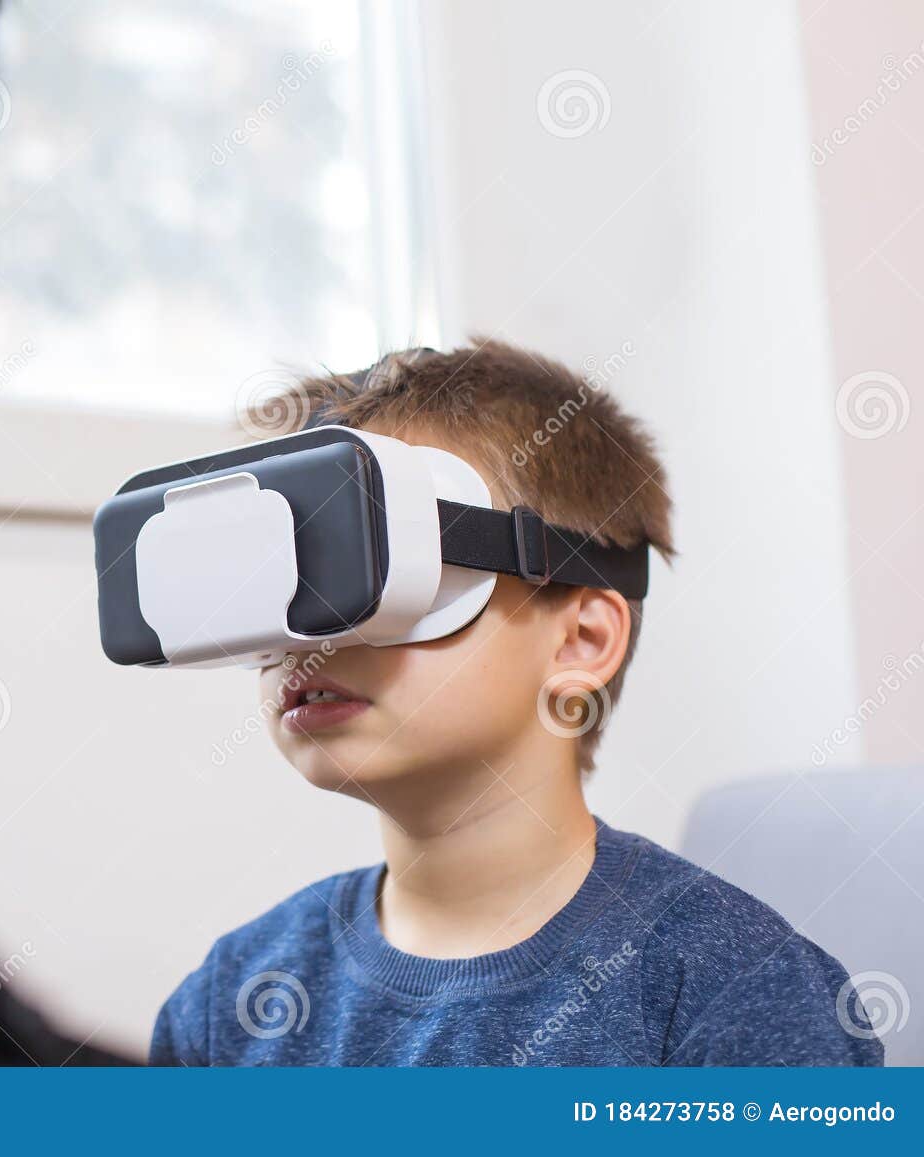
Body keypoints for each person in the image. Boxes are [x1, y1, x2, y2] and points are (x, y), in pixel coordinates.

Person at [150, 341, 882, 1066]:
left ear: (581, 640)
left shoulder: (737, 993)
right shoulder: (232, 1001)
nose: (305, 635)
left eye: (366, 568)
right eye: (279, 581)